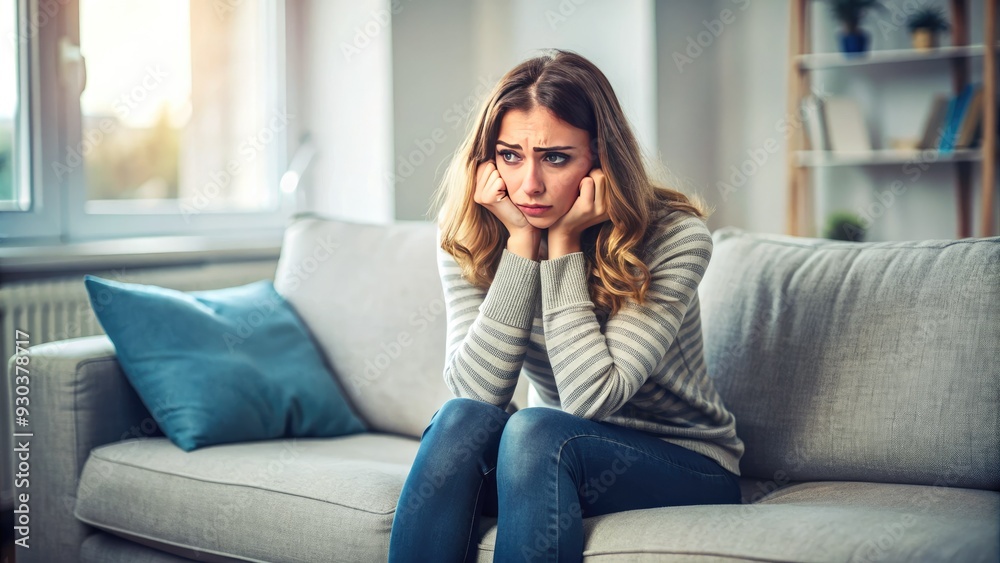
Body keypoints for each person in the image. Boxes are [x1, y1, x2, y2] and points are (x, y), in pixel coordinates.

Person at [388, 48, 745, 563]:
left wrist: (562, 246)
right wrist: (519, 246)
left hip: (684, 462)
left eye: (555, 158)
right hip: (543, 456)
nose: (529, 185)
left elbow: (589, 400)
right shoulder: (469, 229)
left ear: (599, 157)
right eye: (511, 156)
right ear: (489, 160)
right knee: (460, 420)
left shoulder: (674, 236)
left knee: (537, 430)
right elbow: (476, 393)